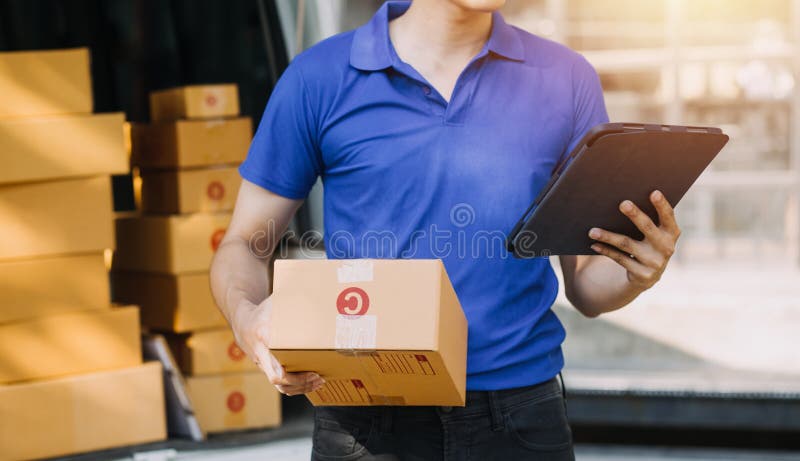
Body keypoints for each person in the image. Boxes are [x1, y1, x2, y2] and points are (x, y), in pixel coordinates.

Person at [210, 1, 681, 459]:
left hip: (519, 419)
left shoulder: (566, 79)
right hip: (367, 416)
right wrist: (248, 320)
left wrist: (635, 274)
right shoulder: (319, 78)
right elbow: (244, 245)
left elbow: (585, 284)